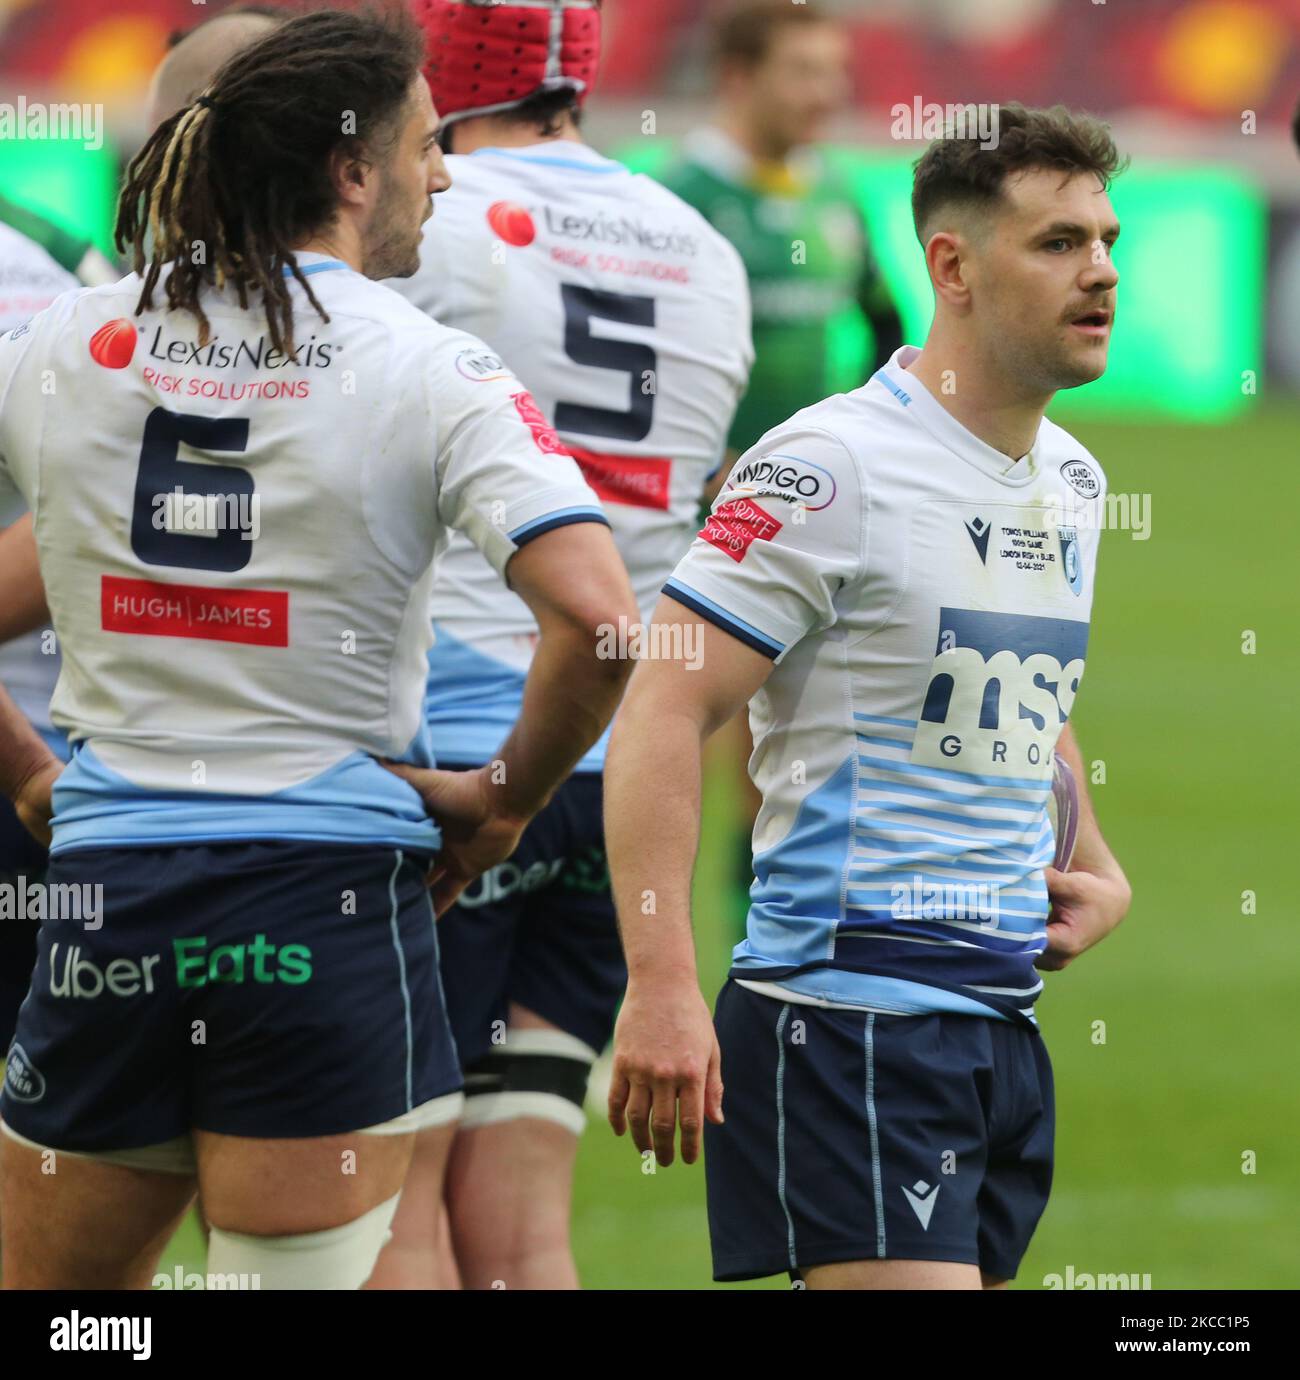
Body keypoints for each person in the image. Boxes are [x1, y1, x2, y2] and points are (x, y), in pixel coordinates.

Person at [0, 6, 637, 1290]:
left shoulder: (59, 346)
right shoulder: (425, 363)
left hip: (108, 896)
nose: (444, 174)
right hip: (322, 907)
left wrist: (27, 770)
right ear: (351, 172)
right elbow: (600, 616)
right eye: (421, 147)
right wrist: (506, 802)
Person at [606, 103, 1134, 1289]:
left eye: (1106, 239)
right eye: (1057, 243)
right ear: (949, 265)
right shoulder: (826, 466)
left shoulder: (1073, 479)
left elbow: (1033, 698)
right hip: (845, 1023)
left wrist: (1090, 855)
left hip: (1000, 1021)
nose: (1100, 270)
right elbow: (663, 707)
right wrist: (661, 984)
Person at [370, 0, 753, 1290]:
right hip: (621, 770)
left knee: (393, 1201)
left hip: (458, 766)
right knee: (526, 1221)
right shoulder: (703, 245)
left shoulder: (435, 214)